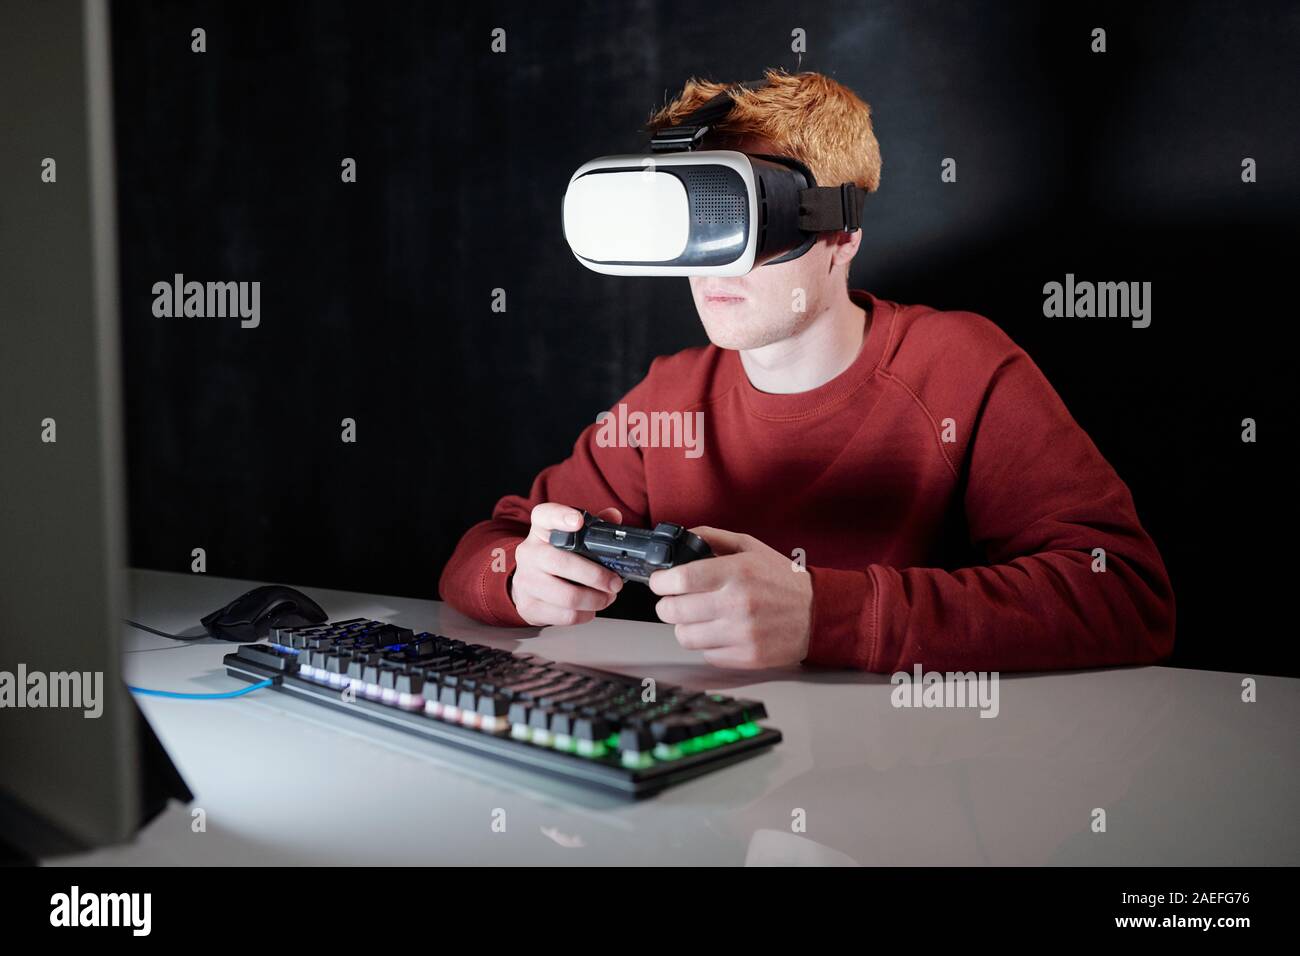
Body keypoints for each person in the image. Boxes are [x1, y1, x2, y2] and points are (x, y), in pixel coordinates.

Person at [439, 68, 1175, 672]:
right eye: (701, 220)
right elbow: (487, 545)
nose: (717, 262)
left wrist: (828, 614)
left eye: (751, 217)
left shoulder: (961, 368)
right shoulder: (669, 399)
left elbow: (1127, 595)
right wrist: (520, 577)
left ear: (841, 233)